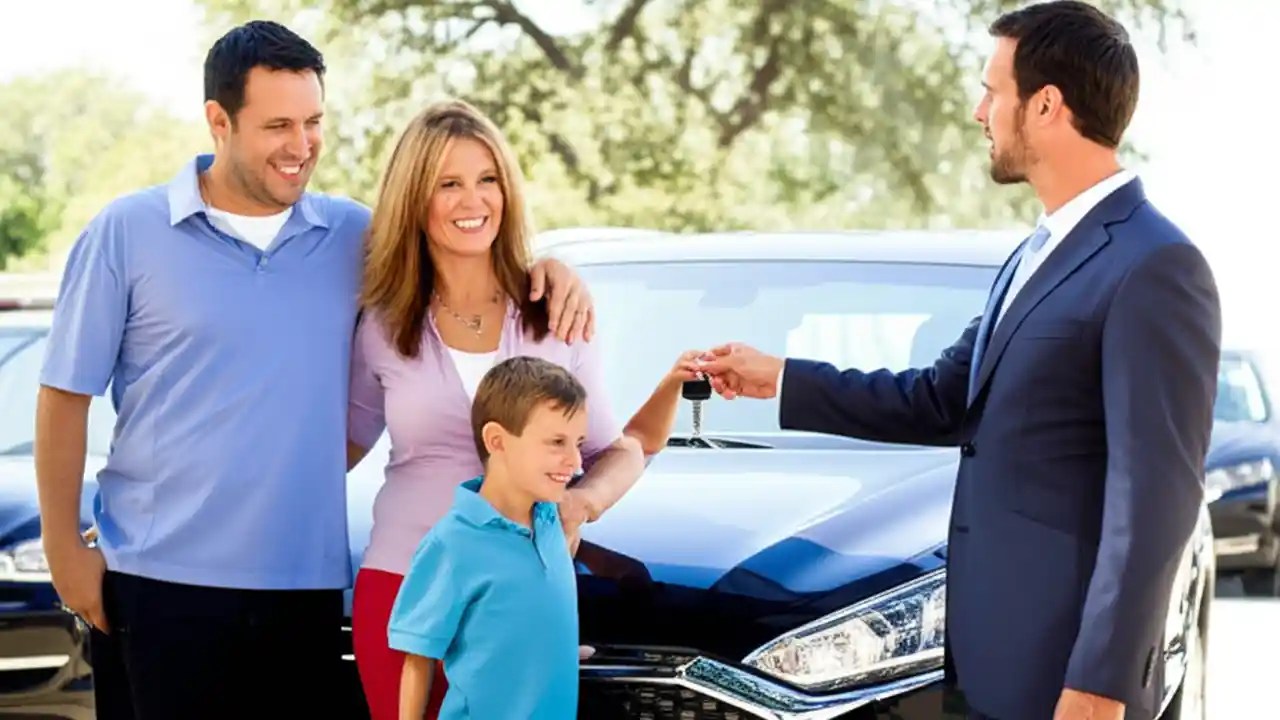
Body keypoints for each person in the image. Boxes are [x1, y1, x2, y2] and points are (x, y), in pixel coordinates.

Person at [32, 21, 591, 720]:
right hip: (158, 583)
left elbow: (462, 242)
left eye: (313, 122)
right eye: (277, 126)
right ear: (219, 121)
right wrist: (63, 549)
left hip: (304, 590)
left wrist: (549, 271)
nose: (301, 147)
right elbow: (63, 396)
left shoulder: (357, 236)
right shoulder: (129, 231)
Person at [696, 3, 1221, 720]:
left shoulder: (1154, 265)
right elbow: (941, 399)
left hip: (1067, 674)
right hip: (990, 658)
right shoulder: (1035, 254)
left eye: (991, 91)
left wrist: (1101, 683)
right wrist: (780, 377)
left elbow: (1155, 501)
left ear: (1045, 105)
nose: (980, 112)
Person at [344, 98, 646, 719]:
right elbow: (338, 448)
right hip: (403, 588)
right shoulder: (381, 324)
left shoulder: (557, 314)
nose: (472, 201)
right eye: (447, 184)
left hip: (520, 599)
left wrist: (580, 504)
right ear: (413, 201)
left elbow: (615, 450)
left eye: (487, 181)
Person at [389, 356, 593, 719]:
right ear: (497, 441)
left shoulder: (552, 523)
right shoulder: (453, 543)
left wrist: (555, 652)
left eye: (578, 442)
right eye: (556, 442)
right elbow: (419, 658)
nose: (575, 461)